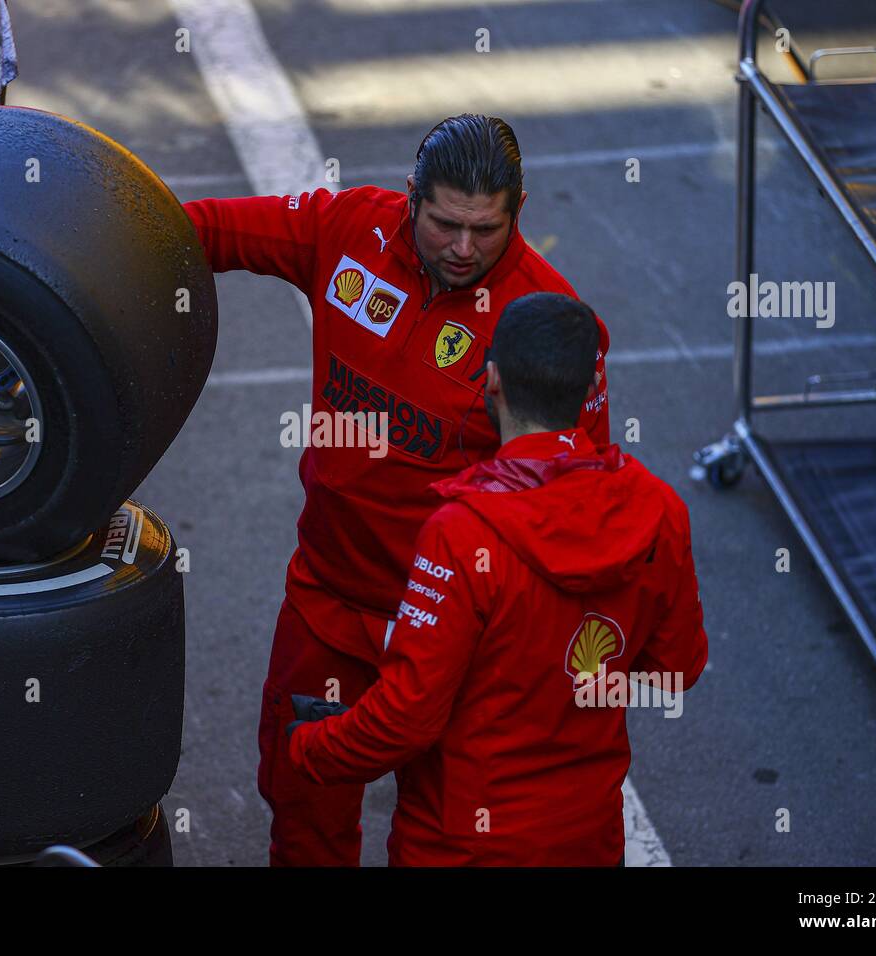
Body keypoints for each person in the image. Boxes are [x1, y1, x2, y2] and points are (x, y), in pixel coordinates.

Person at [182, 115, 610, 866]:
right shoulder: (347, 229)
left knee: (449, 842)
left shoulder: (549, 327)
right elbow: (198, 231)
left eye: (488, 228)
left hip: (459, 634)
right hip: (330, 600)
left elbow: (580, 504)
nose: (464, 248)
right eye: (446, 222)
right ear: (411, 197)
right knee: (301, 806)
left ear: (520, 210)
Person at [286, 293, 707, 866]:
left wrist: (312, 748)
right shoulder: (661, 509)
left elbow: (406, 720)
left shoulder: (462, 533)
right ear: (589, 392)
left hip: (460, 845)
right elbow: (676, 670)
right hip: (588, 834)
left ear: (491, 382)